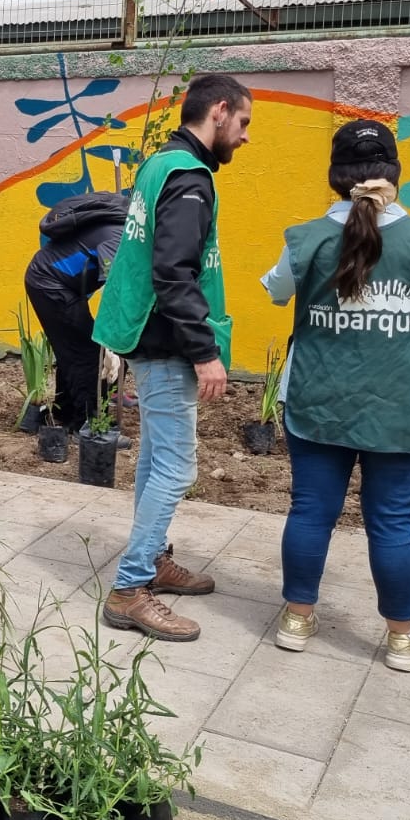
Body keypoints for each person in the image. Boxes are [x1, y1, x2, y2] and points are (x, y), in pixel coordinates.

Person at [262, 121, 410, 673]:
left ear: (335, 177)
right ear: (394, 172)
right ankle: (402, 639)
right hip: (402, 405)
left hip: (318, 401)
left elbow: (274, 292)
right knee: (391, 522)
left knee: (311, 512)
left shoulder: (306, 238)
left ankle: (296, 620)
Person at [93, 74, 253, 641]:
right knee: (177, 465)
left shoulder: (161, 162)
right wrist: (205, 352)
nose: (245, 137)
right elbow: (174, 272)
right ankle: (131, 588)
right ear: (218, 111)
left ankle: (153, 560)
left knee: (156, 457)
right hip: (165, 340)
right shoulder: (189, 176)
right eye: (243, 124)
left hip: (146, 333)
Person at [22, 190, 127, 433]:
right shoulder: (119, 236)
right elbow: (116, 290)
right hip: (49, 284)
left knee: (72, 350)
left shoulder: (124, 223)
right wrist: (114, 339)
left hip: (55, 283)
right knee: (88, 354)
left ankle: (64, 412)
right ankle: (88, 425)